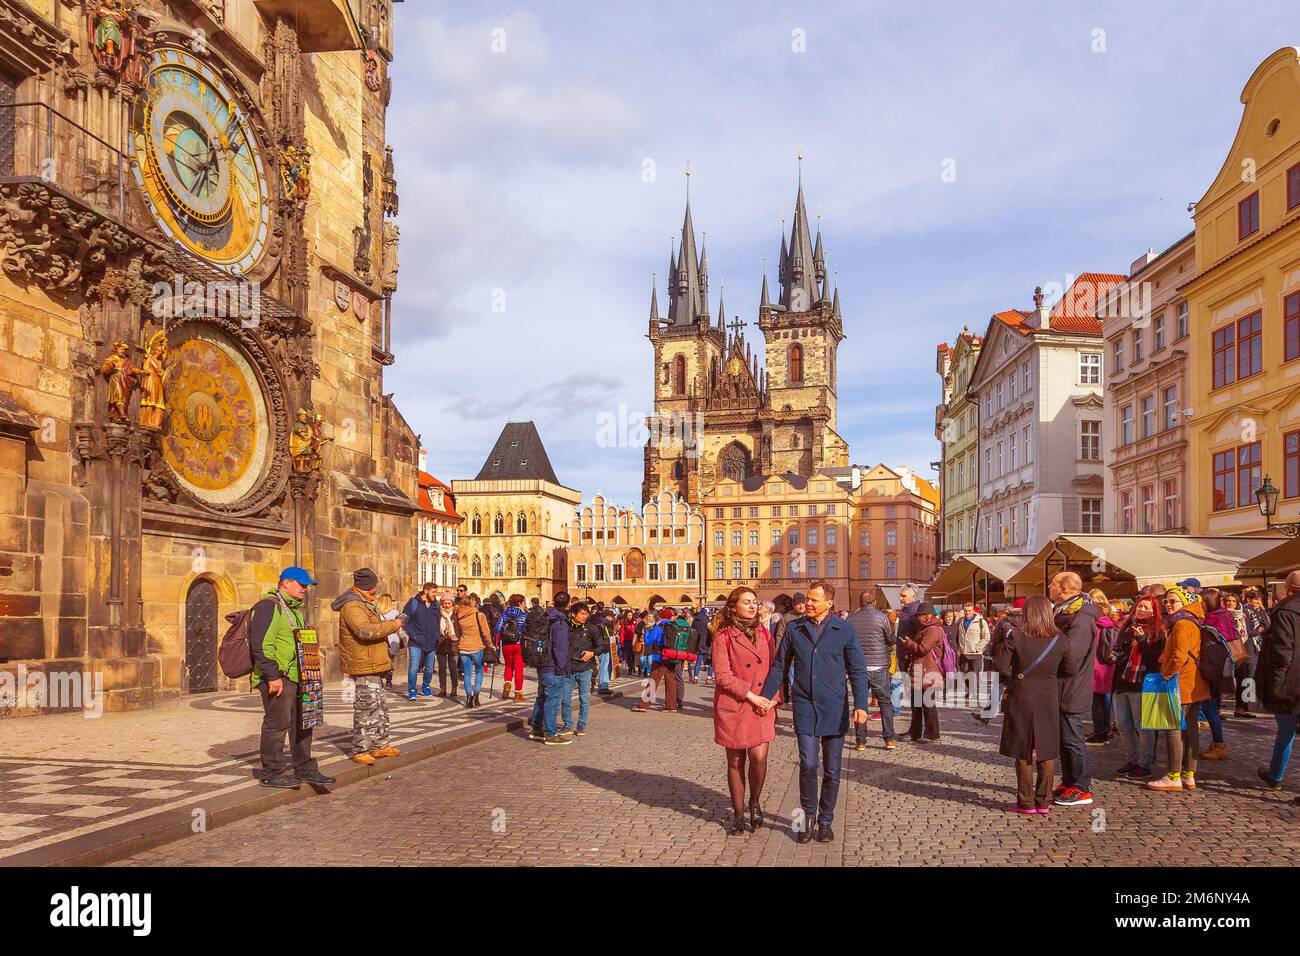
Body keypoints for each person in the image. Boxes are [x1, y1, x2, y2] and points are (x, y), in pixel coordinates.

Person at [756, 581, 869, 844]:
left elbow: (857, 671)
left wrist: (861, 705)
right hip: (805, 705)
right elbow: (779, 667)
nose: (807, 603)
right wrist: (766, 697)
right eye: (807, 599)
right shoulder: (795, 628)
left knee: (832, 770)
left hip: (834, 706)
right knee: (807, 764)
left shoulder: (845, 630)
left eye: (813, 600)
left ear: (828, 603)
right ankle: (807, 819)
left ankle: (826, 820)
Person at [251, 567, 334, 789]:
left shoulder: (295, 609)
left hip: (301, 675)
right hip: (279, 676)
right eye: (302, 584)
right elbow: (260, 645)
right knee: (277, 725)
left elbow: (294, 639)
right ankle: (272, 772)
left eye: (307, 586)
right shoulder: (268, 606)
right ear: (286, 583)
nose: (306, 589)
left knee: (304, 723)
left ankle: (305, 769)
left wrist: (311, 649)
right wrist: (272, 676)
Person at [993, 594, 1067, 814]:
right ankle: (1042, 801)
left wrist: (1015, 676)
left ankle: (1026, 801)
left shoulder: (1015, 636)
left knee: (1022, 749)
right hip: (1047, 696)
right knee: (1047, 750)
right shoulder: (1060, 639)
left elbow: (1000, 664)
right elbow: (1070, 669)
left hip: (1022, 695)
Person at [712, 586, 778, 835]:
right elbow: (723, 676)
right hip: (737, 705)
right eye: (747, 602)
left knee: (759, 758)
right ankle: (739, 814)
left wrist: (773, 698)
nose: (752, 606)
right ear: (733, 607)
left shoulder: (764, 633)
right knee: (736, 761)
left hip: (762, 704)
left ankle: (755, 801)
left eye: (754, 602)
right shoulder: (723, 634)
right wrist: (751, 696)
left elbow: (775, 668)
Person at [333, 567, 405, 766]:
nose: (376, 589)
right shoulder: (353, 606)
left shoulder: (365, 603)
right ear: (369, 586)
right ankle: (360, 748)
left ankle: (380, 745)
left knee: (380, 707)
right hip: (364, 664)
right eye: (375, 585)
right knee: (366, 707)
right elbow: (365, 631)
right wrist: (393, 625)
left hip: (374, 663)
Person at [1147, 585, 1211, 792]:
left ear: (1185, 603)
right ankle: (1188, 775)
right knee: (1191, 730)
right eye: (1166, 601)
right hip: (1193, 683)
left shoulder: (1182, 623)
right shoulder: (1192, 621)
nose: (1168, 604)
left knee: (1172, 729)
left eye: (1173, 601)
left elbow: (1179, 656)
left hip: (1180, 683)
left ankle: (1173, 775)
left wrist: (1166, 674)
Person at [1049, 572, 1101, 807]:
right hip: (1062, 686)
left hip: (1072, 686)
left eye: (1052, 584)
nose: (1048, 588)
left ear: (1063, 589)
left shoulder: (1080, 618)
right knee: (1064, 739)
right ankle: (1069, 781)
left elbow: (1071, 656)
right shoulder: (1066, 612)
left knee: (1073, 739)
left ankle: (1081, 787)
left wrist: (1047, 661)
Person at [1109, 595, 1163, 780]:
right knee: (1123, 725)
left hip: (1142, 683)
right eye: (1140, 606)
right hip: (1122, 682)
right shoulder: (1126, 627)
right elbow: (1120, 651)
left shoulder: (1158, 632)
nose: (1141, 610)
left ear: (1154, 611)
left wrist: (1141, 640)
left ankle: (1144, 763)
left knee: (1143, 726)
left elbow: (1154, 661)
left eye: (1147, 607)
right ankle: (1132, 759)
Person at [1258, 571, 1300, 798]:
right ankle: (1274, 774)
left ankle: (1275, 775)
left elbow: (1283, 651)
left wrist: (1275, 682)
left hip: (1291, 681)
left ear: (1288, 589)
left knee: (1286, 731)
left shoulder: (1285, 612)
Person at [846, 589, 898, 751]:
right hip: (879, 665)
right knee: (885, 703)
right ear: (874, 603)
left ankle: (860, 741)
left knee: (860, 703)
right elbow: (890, 640)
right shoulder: (882, 618)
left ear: (860, 603)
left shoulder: (851, 619)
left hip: (859, 667)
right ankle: (889, 739)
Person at [1198, 587, 1239, 760]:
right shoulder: (1224, 616)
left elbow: (1212, 648)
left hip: (1213, 669)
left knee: (1210, 707)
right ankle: (1217, 743)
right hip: (1220, 668)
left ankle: (1219, 744)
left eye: (1201, 601)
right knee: (1212, 706)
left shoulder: (1213, 620)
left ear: (1208, 602)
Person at [528, 590, 573, 745]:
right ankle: (550, 733)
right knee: (552, 700)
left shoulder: (546, 616)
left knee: (542, 697)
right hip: (553, 666)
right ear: (568, 604)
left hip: (542, 662)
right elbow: (560, 648)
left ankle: (536, 729)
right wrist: (562, 667)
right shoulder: (560, 621)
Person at [898, 602, 944, 742]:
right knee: (916, 704)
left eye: (920, 616)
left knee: (928, 704)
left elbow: (923, 649)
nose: (918, 618)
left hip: (928, 672)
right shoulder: (926, 628)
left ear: (927, 616)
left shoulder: (933, 630)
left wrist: (909, 644)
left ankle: (932, 734)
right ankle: (915, 732)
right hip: (920, 670)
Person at [560, 601, 598, 735]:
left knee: (584, 699)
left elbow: (601, 645)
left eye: (586, 613)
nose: (584, 616)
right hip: (569, 668)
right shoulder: (565, 627)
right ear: (573, 614)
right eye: (582, 613)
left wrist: (592, 653)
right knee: (565, 699)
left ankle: (581, 725)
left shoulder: (591, 628)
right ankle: (568, 724)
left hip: (585, 668)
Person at [1086, 591, 1119, 745]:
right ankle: (1104, 731)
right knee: (1105, 702)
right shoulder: (1112, 625)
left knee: (1097, 703)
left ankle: (1100, 733)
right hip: (1108, 668)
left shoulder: (1096, 626)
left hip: (1096, 668)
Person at [453, 592, 494, 708]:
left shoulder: (458, 614)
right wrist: (490, 645)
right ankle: (476, 696)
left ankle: (468, 697)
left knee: (467, 673)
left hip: (463, 646)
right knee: (479, 671)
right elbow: (486, 633)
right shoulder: (479, 615)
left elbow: (458, 631)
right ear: (473, 603)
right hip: (476, 646)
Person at [402, 582, 441, 701]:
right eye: (433, 592)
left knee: (429, 668)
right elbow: (405, 620)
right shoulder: (413, 603)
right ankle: (412, 690)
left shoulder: (436, 605)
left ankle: (426, 687)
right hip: (416, 641)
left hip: (431, 641)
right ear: (426, 591)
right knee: (414, 666)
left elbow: (437, 622)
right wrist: (413, 635)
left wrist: (437, 637)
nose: (435, 595)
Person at [1238, 588, 1270, 718]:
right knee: (1248, 676)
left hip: (1257, 647)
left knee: (1252, 676)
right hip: (1249, 647)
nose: (1258, 602)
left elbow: (1267, 624)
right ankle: (1244, 706)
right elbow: (1245, 630)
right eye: (1255, 599)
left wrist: (1262, 611)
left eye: (1259, 599)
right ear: (1248, 599)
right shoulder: (1245, 611)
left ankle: (1246, 705)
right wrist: (1258, 631)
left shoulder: (1258, 611)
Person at [494, 593, 529, 700]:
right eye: (524, 602)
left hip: (506, 644)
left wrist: (497, 643)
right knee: (519, 669)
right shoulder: (524, 615)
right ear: (520, 603)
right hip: (519, 644)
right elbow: (527, 630)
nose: (525, 604)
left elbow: (497, 629)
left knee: (508, 666)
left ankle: (507, 684)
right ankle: (518, 694)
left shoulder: (505, 613)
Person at [436, 595, 462, 698]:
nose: (446, 606)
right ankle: (443, 688)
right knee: (441, 668)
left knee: (453, 668)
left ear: (453, 604)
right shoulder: (438, 614)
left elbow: (459, 629)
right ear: (441, 604)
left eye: (449, 603)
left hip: (453, 644)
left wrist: (456, 637)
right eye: (444, 603)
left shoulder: (456, 614)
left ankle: (454, 688)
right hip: (440, 643)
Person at [957, 601, 991, 675]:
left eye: (969, 610)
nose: (967, 612)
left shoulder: (980, 621)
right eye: (965, 610)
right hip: (963, 654)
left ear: (973, 611)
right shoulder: (960, 621)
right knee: (964, 677)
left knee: (976, 679)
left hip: (975, 654)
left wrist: (976, 648)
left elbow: (986, 637)